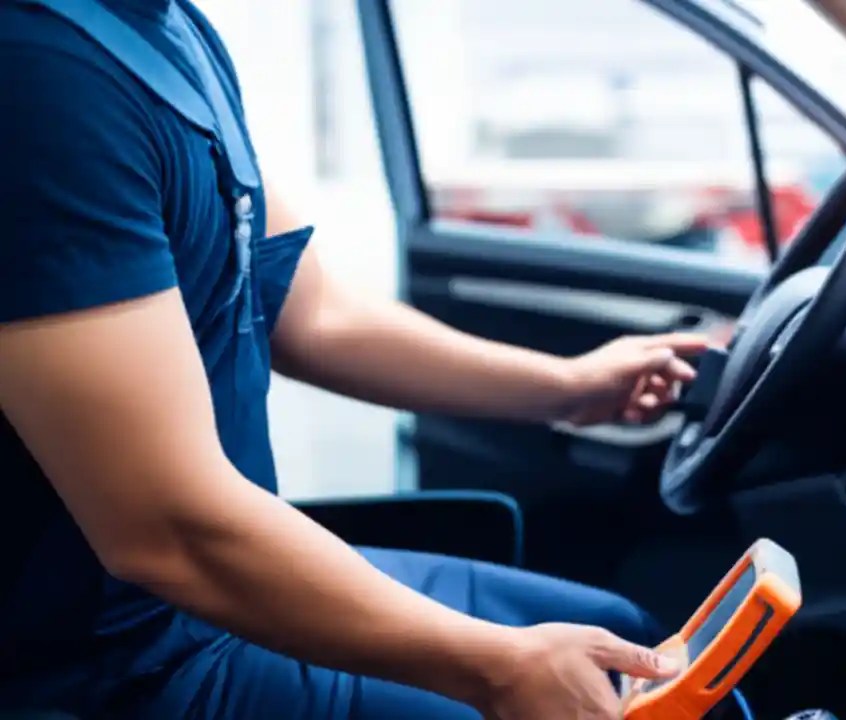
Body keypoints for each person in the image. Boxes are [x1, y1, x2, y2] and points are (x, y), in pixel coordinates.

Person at [0, 0, 709, 717]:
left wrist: (569, 389)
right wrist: (497, 668)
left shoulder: (168, 30)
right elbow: (165, 529)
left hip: (213, 609)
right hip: (130, 672)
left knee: (631, 641)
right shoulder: (42, 79)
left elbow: (314, 315)